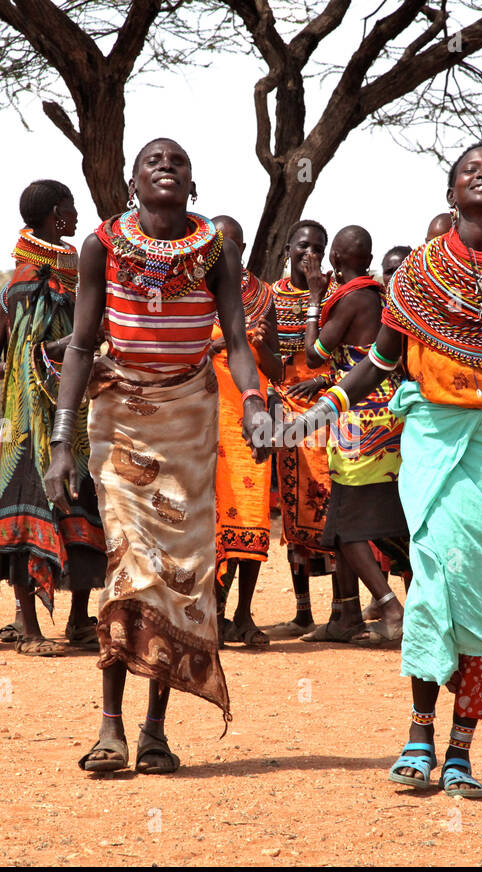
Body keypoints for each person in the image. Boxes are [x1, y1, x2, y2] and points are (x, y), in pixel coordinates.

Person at [285, 143, 482, 798]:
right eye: (469, 170)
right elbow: (381, 363)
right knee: (435, 583)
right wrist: (323, 409)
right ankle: (420, 732)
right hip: (435, 438)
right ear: (451, 193)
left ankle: (462, 749)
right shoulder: (418, 274)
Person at [43, 138, 273, 772]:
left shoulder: (214, 251)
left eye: (178, 162)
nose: (166, 166)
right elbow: (84, 346)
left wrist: (252, 397)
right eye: (153, 161)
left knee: (179, 579)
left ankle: (154, 731)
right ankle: (109, 727)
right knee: (128, 570)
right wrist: (62, 442)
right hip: (120, 420)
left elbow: (236, 336)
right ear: (133, 184)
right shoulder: (103, 245)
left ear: (192, 186)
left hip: (191, 422)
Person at [0, 180, 106, 657]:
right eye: (72, 207)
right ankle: (29, 627)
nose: (76, 216)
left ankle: (78, 620)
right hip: (31, 423)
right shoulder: (30, 282)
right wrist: (78, 343)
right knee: (30, 515)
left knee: (82, 512)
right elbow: (6, 355)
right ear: (56, 213)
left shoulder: (67, 276)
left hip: (72, 420)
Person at [303, 225, 408, 645]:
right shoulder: (383, 297)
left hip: (358, 420)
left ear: (334, 261)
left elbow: (314, 355)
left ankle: (390, 607)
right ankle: (353, 615)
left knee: (345, 527)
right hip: (392, 420)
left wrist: (313, 301)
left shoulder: (353, 300)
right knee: (387, 521)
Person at [209, 214, 283, 646]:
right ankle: (213, 613)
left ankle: (243, 614)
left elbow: (275, 368)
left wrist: (260, 343)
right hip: (208, 418)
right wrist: (224, 343)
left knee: (252, 515)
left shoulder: (264, 296)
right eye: (220, 244)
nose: (228, 252)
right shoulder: (196, 292)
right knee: (216, 518)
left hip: (251, 418)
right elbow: (187, 353)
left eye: (234, 244)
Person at [266, 221, 341, 640]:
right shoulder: (272, 297)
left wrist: (324, 383)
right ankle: (302, 611)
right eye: (301, 246)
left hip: (331, 411)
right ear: (288, 249)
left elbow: (346, 357)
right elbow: (269, 356)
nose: (308, 254)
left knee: (331, 506)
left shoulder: (333, 296)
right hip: (289, 412)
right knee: (295, 511)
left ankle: (338, 609)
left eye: (317, 247)